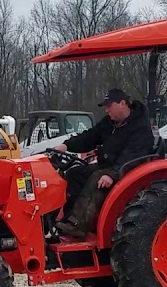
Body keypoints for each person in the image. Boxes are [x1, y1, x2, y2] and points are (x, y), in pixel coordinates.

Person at [53, 88, 154, 237]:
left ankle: (78, 225)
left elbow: (131, 156)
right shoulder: (110, 123)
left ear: (122, 103)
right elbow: (90, 137)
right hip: (109, 166)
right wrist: (66, 145)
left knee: (97, 178)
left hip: (127, 169)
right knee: (75, 173)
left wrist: (112, 174)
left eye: (109, 106)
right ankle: (69, 220)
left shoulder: (140, 127)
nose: (107, 110)